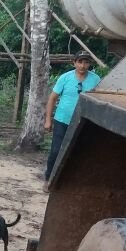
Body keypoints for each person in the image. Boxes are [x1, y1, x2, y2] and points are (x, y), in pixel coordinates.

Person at [44, 51, 101, 179]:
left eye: (86, 62)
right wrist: (48, 120)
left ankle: (69, 179)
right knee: (56, 150)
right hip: (62, 120)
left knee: (78, 152)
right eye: (80, 62)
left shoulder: (96, 79)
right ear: (74, 63)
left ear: (89, 64)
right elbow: (52, 98)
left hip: (84, 122)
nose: (82, 65)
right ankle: (49, 178)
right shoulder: (65, 78)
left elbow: (99, 100)